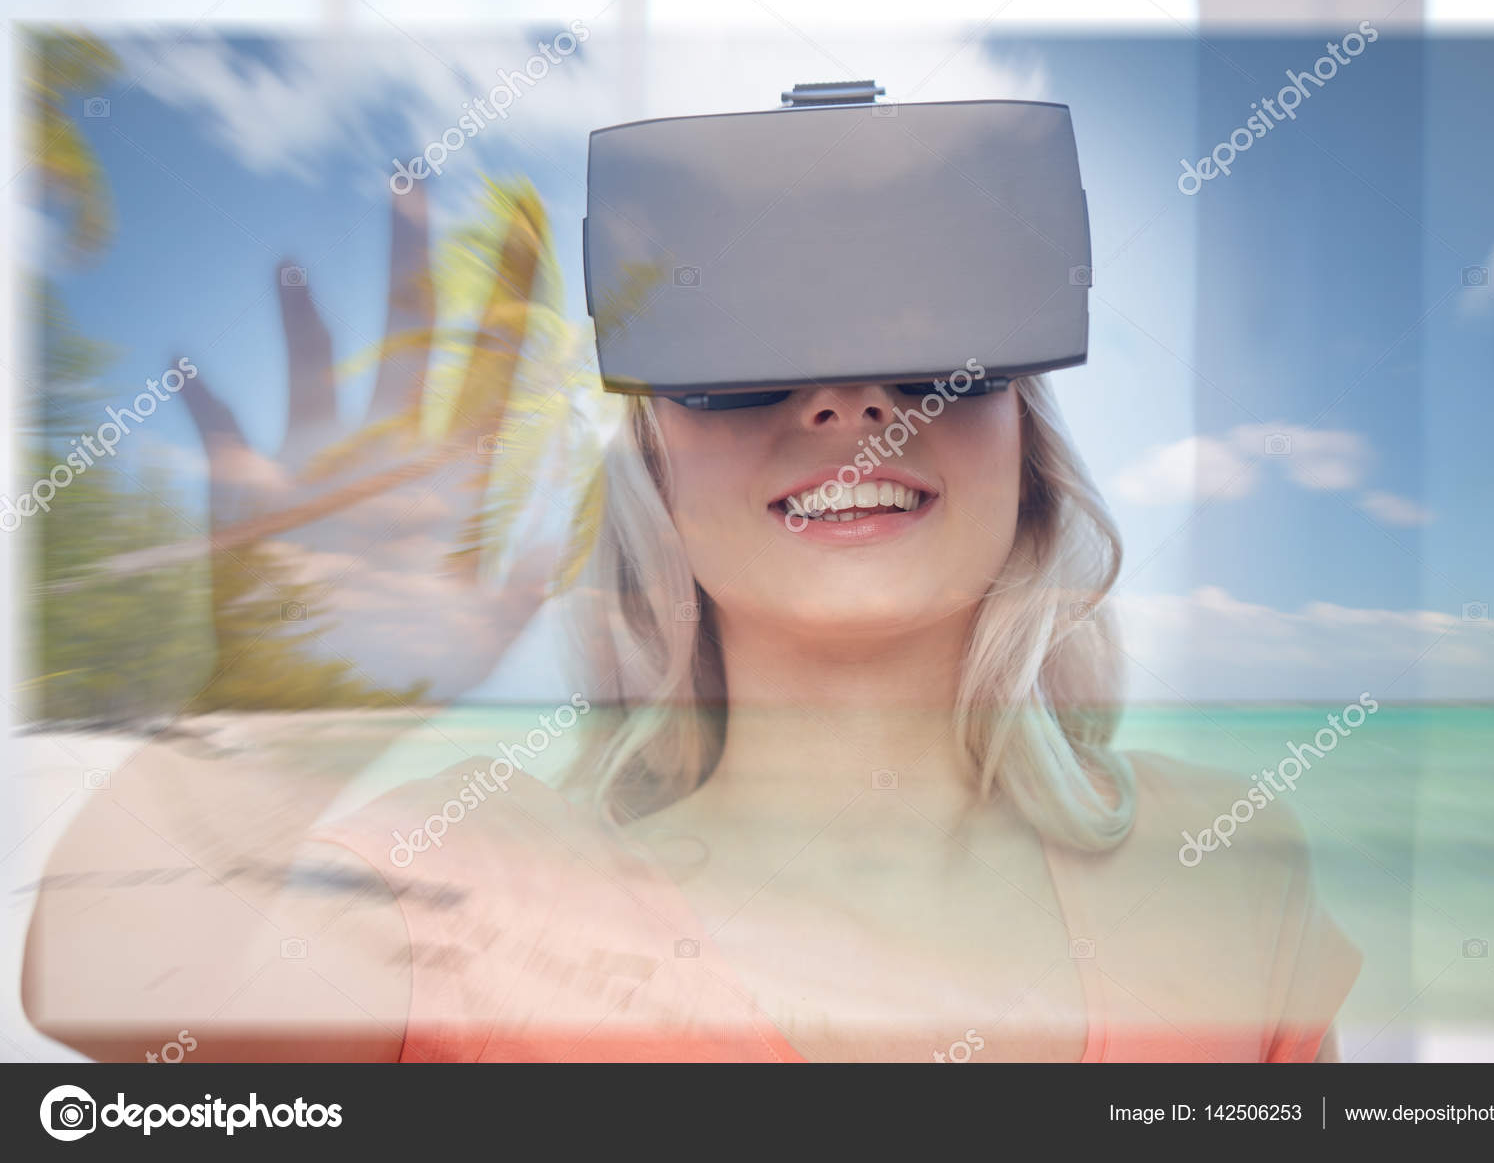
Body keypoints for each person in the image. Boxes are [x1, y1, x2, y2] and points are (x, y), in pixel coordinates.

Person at [22, 184, 1359, 1064]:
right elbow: (110, 979)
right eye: (739, 368)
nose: (843, 402)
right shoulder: (480, 878)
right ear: (652, 475)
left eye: (935, 356)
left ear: (1031, 467)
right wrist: (292, 677)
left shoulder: (1226, 861)